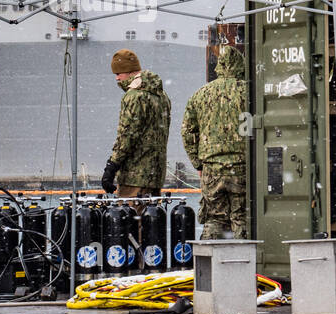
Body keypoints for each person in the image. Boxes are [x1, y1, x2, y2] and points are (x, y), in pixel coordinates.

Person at [181, 45, 249, 238]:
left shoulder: (200, 94)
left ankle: (210, 263)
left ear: (219, 66)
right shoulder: (250, 91)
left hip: (212, 167)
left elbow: (187, 132)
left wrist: (198, 163)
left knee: (214, 218)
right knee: (241, 218)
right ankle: (245, 262)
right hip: (242, 167)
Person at [102, 49, 171, 199]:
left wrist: (111, 167)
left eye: (118, 73)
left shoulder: (133, 96)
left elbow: (127, 136)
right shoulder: (161, 95)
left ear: (129, 71)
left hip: (134, 177)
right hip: (156, 174)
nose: (117, 78)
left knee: (129, 219)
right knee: (152, 219)